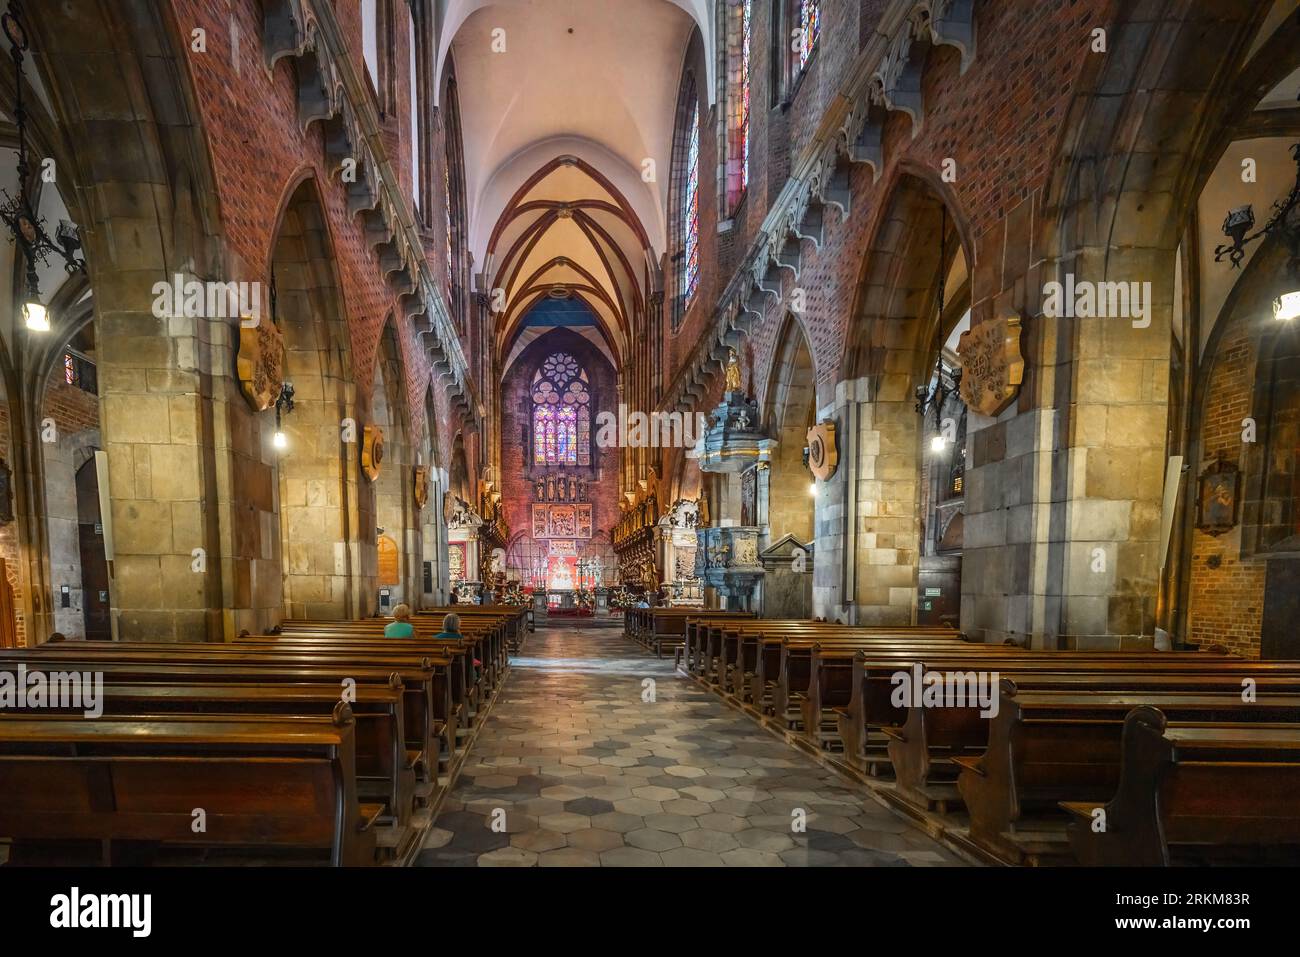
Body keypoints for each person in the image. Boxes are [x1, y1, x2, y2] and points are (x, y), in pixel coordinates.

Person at [435, 613, 481, 680]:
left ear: (444, 623)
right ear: (457, 624)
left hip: (439, 670)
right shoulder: (460, 638)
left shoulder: (436, 638)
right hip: (459, 671)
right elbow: (467, 657)